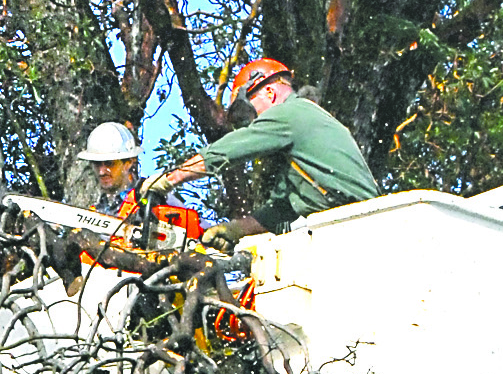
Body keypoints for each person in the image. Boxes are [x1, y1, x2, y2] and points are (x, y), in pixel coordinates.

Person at [144, 59, 377, 239]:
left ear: (269, 93)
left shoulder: (288, 114)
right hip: (354, 223)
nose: (253, 120)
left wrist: (168, 179)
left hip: (356, 224)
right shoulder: (303, 131)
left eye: (251, 109)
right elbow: (281, 209)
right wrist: (233, 230)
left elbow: (228, 150)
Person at [75, 121, 203, 253]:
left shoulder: (153, 196)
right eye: (97, 164)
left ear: (129, 162)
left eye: (109, 163)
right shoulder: (97, 211)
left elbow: (200, 231)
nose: (102, 171)